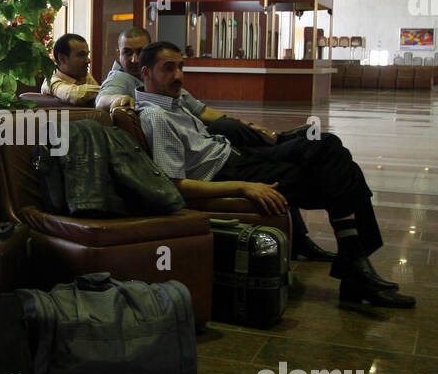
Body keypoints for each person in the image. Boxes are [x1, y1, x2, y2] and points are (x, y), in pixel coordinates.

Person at [134, 41, 414, 308]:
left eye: (181, 66)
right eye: (169, 68)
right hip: (227, 172)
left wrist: (251, 130)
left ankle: (354, 265)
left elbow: (210, 117)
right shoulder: (156, 116)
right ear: (146, 72)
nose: (178, 75)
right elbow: (175, 185)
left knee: (326, 146)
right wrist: (243, 187)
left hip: (239, 155)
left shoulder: (175, 98)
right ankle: (355, 266)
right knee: (343, 168)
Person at [96, 26, 337, 262]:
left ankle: (303, 231)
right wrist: (118, 100)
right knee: (324, 160)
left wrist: (250, 126)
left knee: (299, 144)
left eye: (140, 51)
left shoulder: (168, 84)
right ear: (119, 55)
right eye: (127, 52)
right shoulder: (124, 82)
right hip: (214, 164)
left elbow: (202, 111)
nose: (134, 59)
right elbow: (102, 99)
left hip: (218, 146)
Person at [41, 33, 101, 105]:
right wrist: (109, 90)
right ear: (62, 59)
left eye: (87, 55)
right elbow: (75, 95)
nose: (88, 60)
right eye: (81, 55)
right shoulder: (50, 82)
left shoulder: (82, 74)